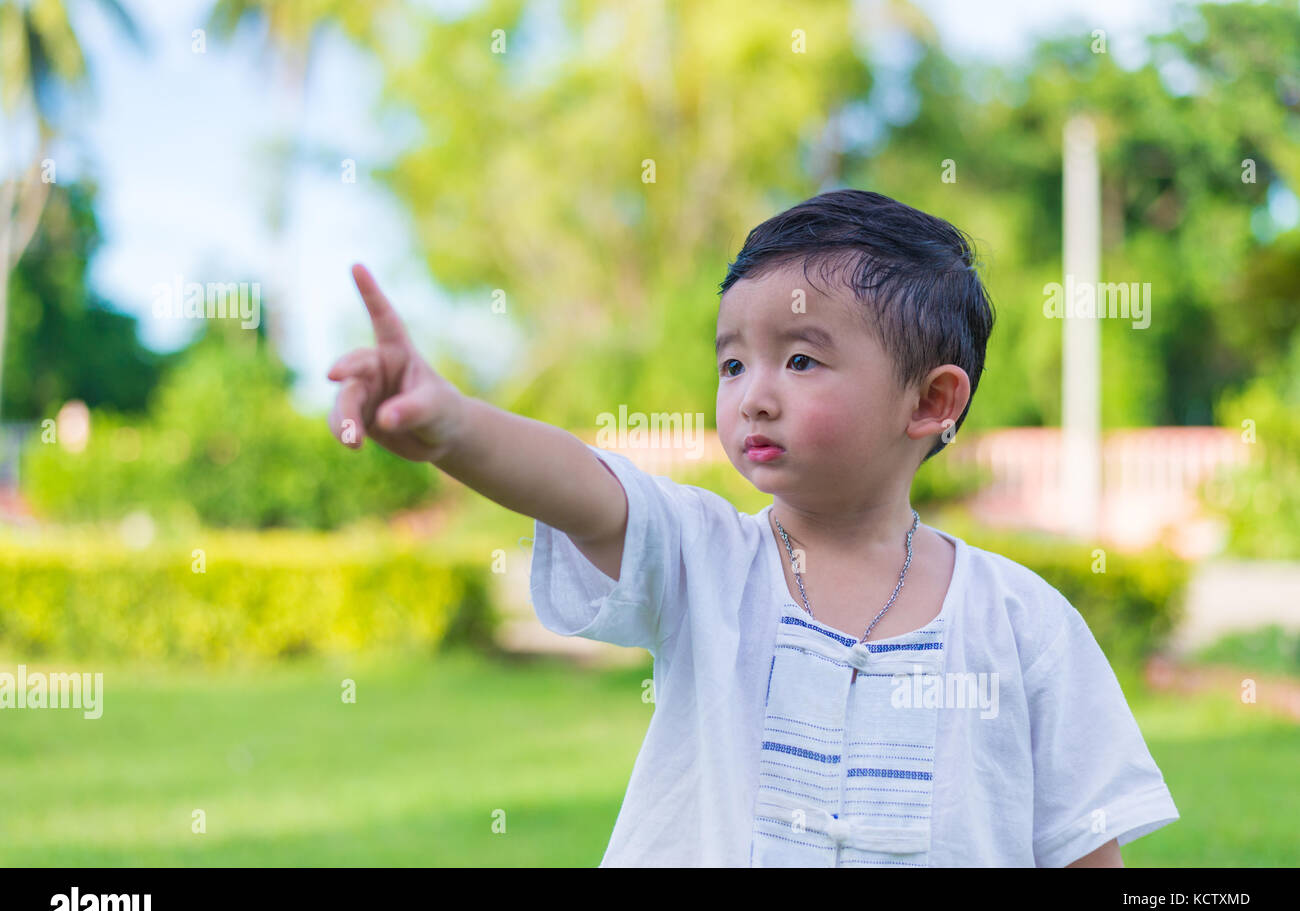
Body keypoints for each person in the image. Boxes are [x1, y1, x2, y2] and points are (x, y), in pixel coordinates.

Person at [327, 188, 1179, 867]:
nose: (753, 393)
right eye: (733, 361)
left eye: (801, 358)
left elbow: (1081, 842)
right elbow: (584, 488)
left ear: (931, 400)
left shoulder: (1023, 623)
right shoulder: (709, 556)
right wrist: (453, 426)